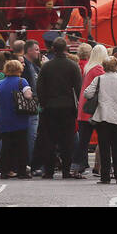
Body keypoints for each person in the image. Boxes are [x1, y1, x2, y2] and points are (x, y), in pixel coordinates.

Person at [34, 37, 83, 179]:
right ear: (66, 49)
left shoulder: (46, 67)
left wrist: (43, 103)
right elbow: (79, 88)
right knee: (66, 140)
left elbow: (40, 87)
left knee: (48, 139)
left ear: (53, 49)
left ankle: (49, 171)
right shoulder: (73, 66)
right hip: (68, 107)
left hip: (49, 108)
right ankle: (66, 170)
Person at [85, 56, 117, 184]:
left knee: (104, 148)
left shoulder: (99, 79)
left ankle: (105, 176)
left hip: (103, 118)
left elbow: (88, 93)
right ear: (116, 66)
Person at [0, 60, 35, 178]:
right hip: (20, 118)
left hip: (5, 119)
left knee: (7, 146)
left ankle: (5, 170)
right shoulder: (22, 81)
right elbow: (28, 95)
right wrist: (30, 92)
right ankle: (22, 171)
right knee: (22, 145)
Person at [73, 43, 109, 176]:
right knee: (101, 139)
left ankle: (77, 167)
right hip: (93, 110)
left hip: (84, 109)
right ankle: (94, 167)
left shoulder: (89, 67)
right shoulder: (99, 69)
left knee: (83, 140)